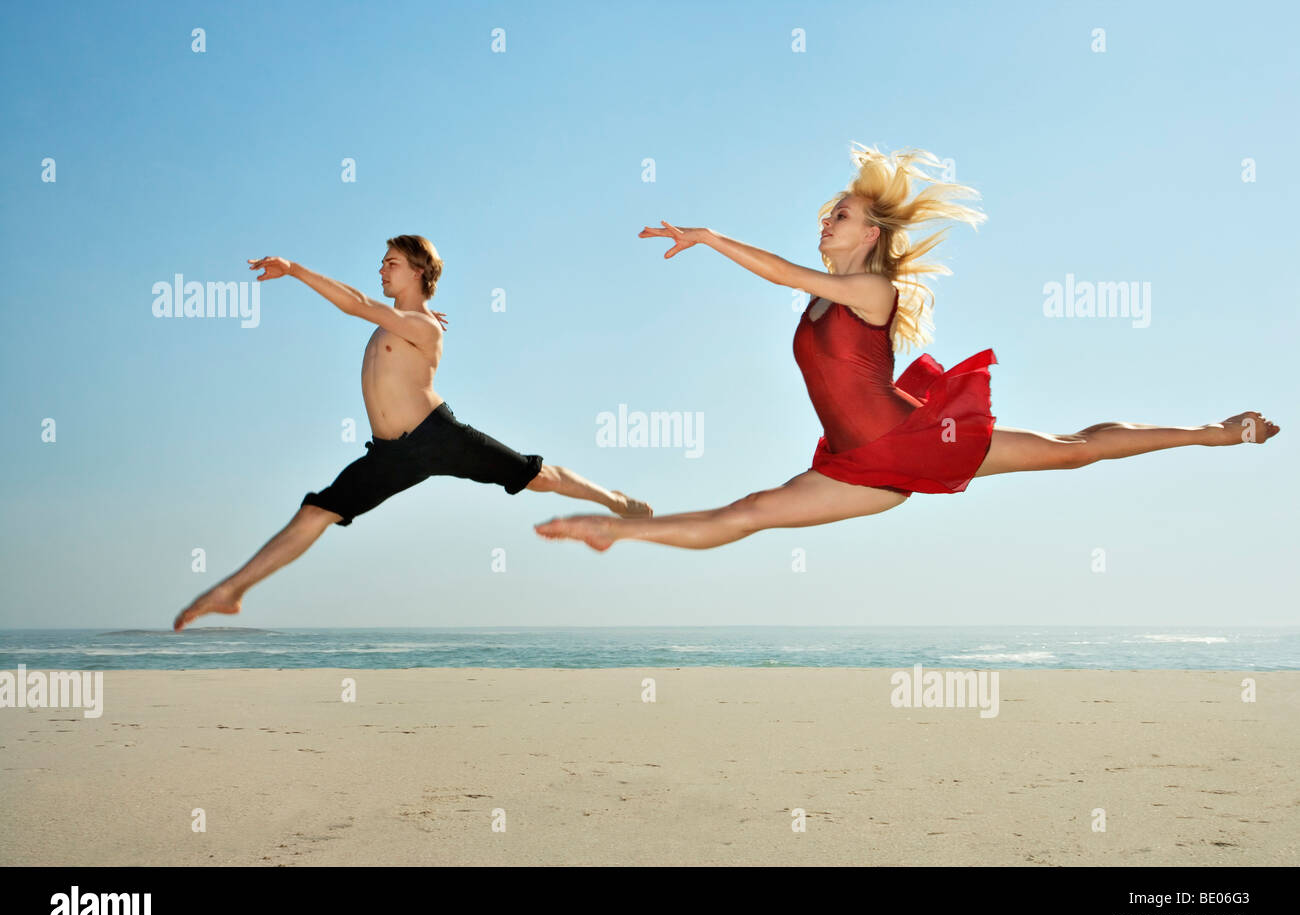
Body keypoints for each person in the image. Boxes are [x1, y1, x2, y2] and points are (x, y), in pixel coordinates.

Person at [534, 144, 1279, 552]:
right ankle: (615, 531)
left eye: (843, 213)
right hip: (859, 464)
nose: (827, 218)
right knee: (749, 512)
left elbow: (780, 271)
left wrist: (707, 236)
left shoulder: (874, 291)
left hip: (916, 438)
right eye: (828, 210)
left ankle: (1214, 432)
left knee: (1073, 447)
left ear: (873, 237)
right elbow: (798, 283)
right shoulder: (825, 293)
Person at [173, 236, 649, 630]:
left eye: (392, 263)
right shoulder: (408, 322)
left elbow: (358, 305)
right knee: (317, 511)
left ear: (419, 271)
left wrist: (294, 268)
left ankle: (614, 502)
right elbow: (381, 313)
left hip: (437, 436)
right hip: (388, 456)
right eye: (381, 262)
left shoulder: (422, 326)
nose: (381, 269)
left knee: (534, 475)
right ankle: (231, 591)